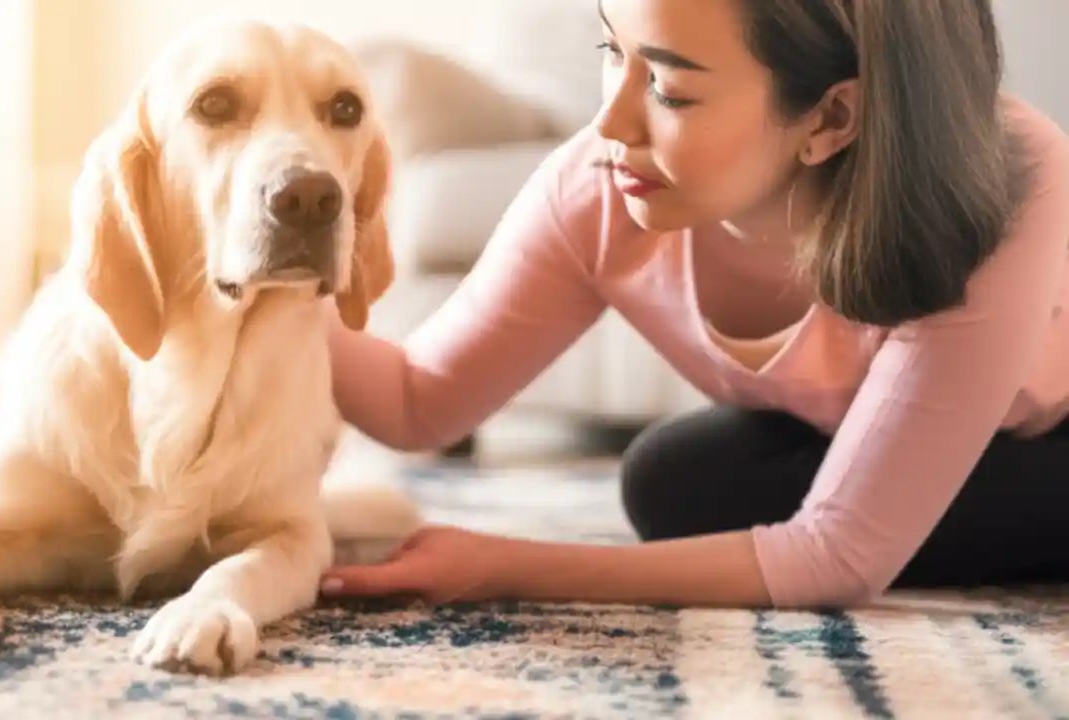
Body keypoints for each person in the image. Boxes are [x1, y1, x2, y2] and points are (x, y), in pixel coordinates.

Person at [320, 0, 1069, 609]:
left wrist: (501, 565)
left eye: (669, 90)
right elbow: (417, 401)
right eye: (612, 51)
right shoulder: (600, 184)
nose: (611, 123)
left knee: (752, 519)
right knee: (677, 483)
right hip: (927, 442)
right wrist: (256, 280)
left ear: (832, 119)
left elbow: (839, 559)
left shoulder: (1004, 180)